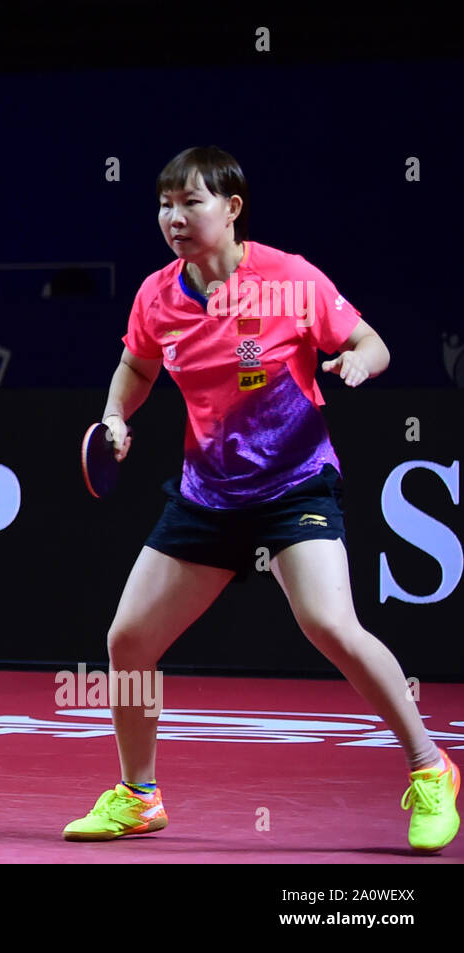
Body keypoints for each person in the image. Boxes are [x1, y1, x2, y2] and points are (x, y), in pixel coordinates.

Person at [63, 146, 459, 852]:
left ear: (232, 208)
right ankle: (137, 796)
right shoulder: (157, 295)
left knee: (329, 623)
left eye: (191, 202)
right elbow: (136, 365)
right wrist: (116, 418)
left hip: (294, 482)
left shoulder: (290, 278)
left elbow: (372, 341)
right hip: (208, 493)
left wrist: (358, 361)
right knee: (128, 640)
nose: (174, 218)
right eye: (164, 205)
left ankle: (432, 769)